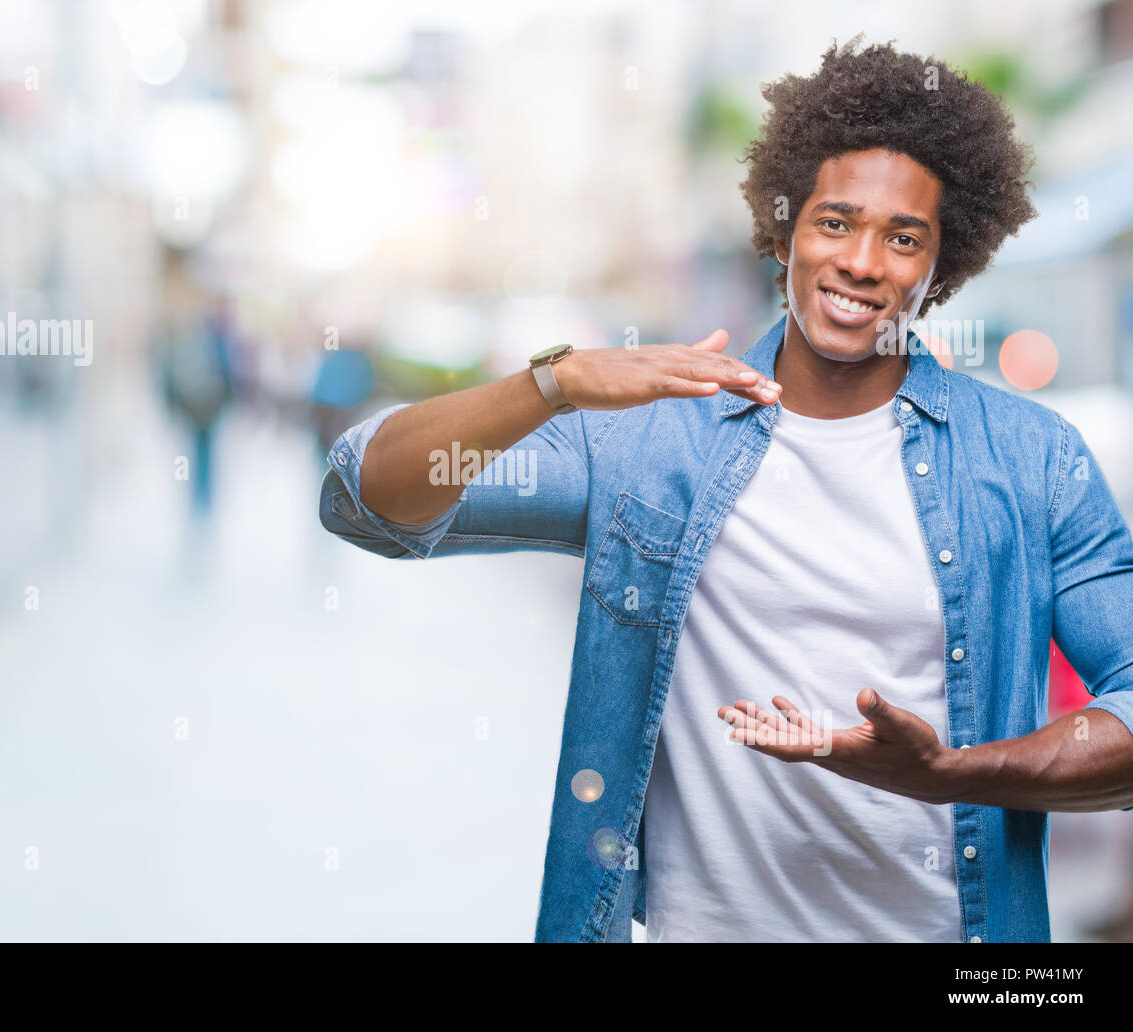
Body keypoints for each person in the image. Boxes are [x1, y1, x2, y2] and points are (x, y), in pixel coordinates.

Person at [317, 37, 1133, 942]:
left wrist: (953, 771)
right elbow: (366, 495)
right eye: (835, 222)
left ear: (943, 267)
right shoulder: (650, 441)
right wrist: (552, 384)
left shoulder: (1031, 460)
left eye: (904, 238)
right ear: (783, 230)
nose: (863, 262)